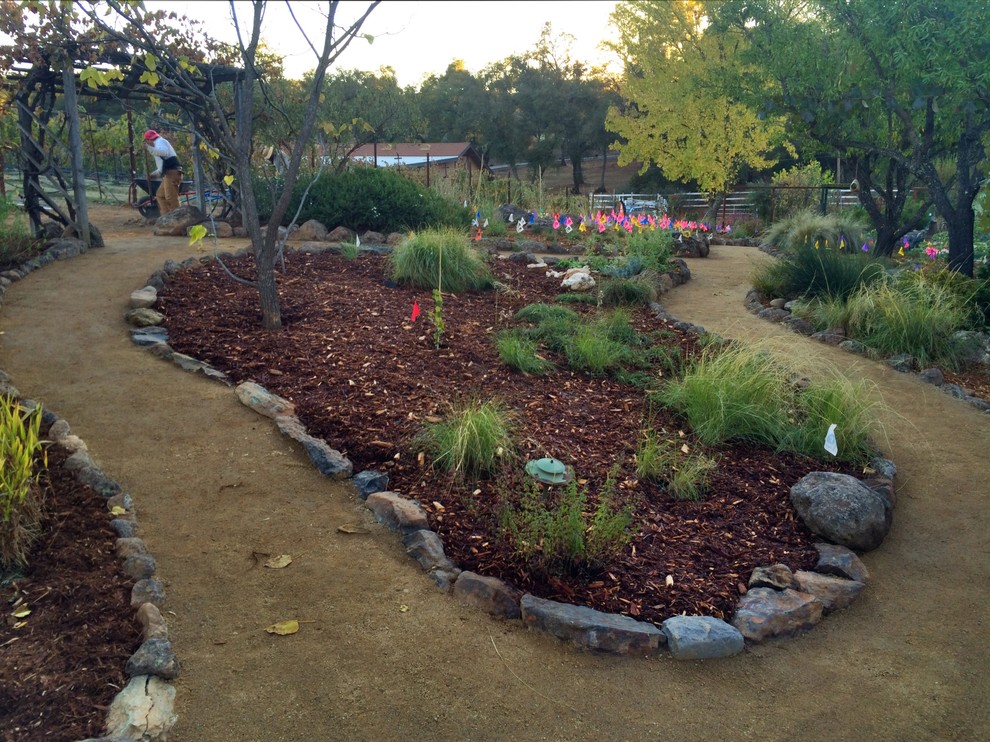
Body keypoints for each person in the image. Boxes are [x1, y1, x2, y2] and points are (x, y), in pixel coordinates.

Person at [143, 130, 182, 216]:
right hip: (169, 173)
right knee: (160, 195)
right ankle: (166, 217)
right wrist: (153, 175)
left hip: (172, 172)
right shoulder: (158, 146)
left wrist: (149, 148)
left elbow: (164, 152)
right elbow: (161, 168)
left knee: (170, 198)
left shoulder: (160, 142)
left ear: (149, 140)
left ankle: (177, 217)